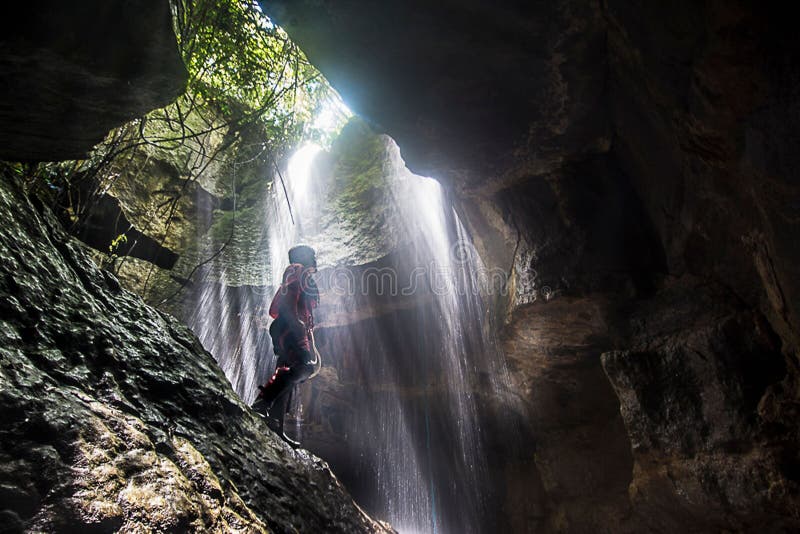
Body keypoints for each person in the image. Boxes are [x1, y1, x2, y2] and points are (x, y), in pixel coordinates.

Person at [251, 244, 321, 447]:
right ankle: (261, 403)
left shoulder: (304, 277)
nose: (316, 259)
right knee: (302, 368)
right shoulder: (296, 270)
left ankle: (275, 424)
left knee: (287, 376)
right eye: (313, 255)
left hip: (293, 328)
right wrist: (298, 327)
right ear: (303, 257)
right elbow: (288, 301)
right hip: (289, 328)